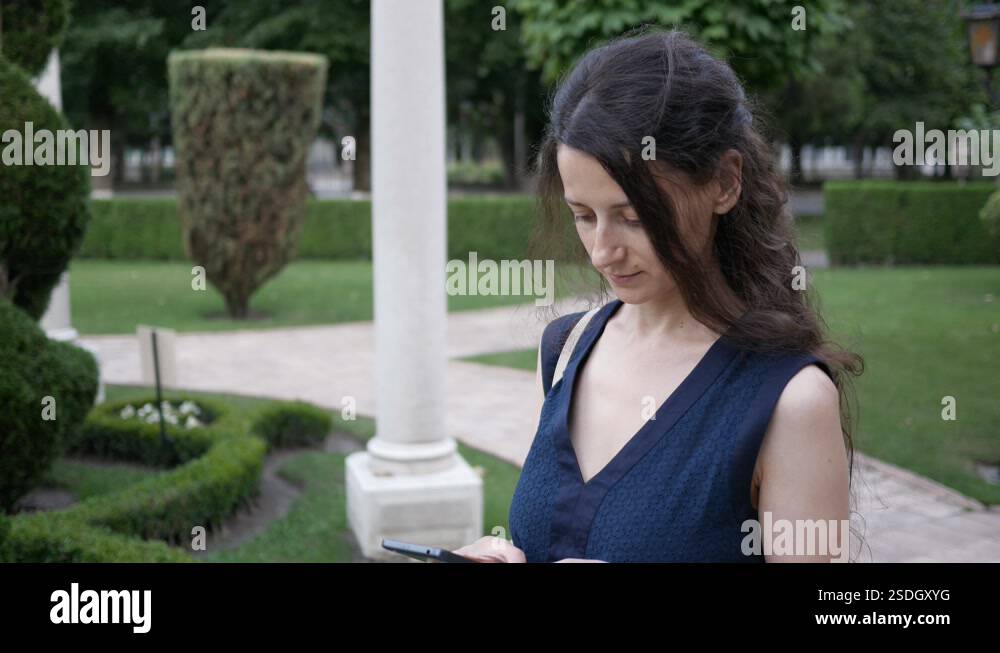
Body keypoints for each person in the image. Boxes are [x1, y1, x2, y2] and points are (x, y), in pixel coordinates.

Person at [455, 28, 863, 563]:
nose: (602, 252)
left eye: (634, 217)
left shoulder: (788, 400)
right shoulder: (565, 350)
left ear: (724, 183)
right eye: (584, 216)